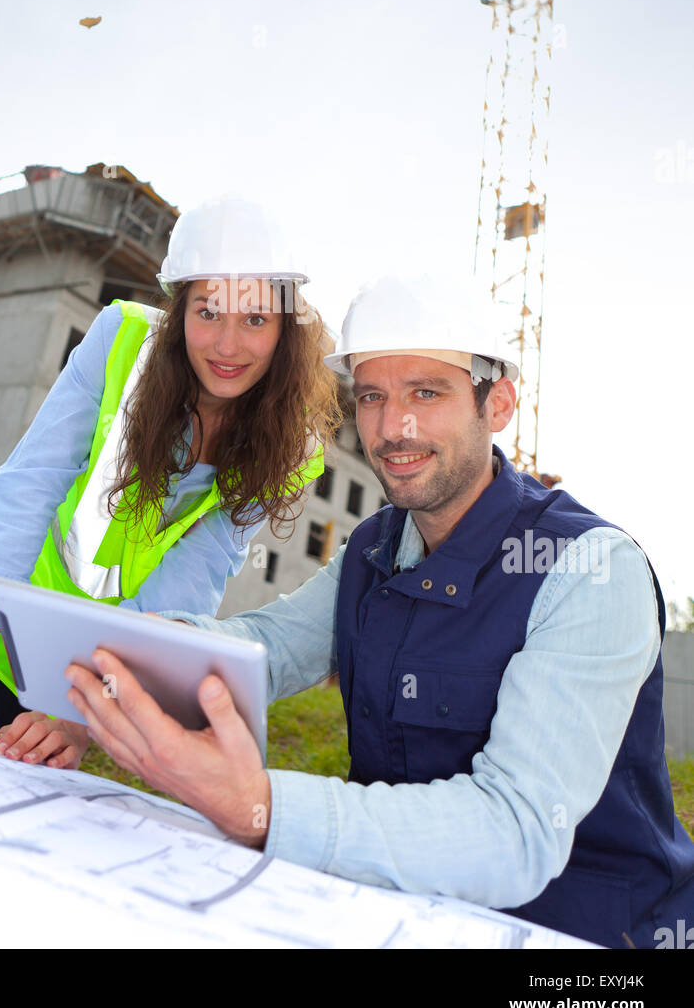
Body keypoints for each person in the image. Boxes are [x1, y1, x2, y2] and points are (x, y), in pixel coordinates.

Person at [65, 274, 694, 950]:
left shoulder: (588, 571)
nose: (394, 429)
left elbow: (515, 832)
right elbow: (268, 645)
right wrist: (138, 646)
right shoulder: (376, 547)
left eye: (427, 392)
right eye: (372, 397)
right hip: (399, 918)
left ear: (500, 403)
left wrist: (263, 806)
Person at [0, 196, 340, 770]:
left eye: (255, 318)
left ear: (286, 328)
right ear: (180, 309)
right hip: (0, 641)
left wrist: (79, 712)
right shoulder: (120, 342)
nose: (228, 347)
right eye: (208, 312)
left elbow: (194, 576)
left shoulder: (292, 452)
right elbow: (26, 490)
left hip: (102, 675)